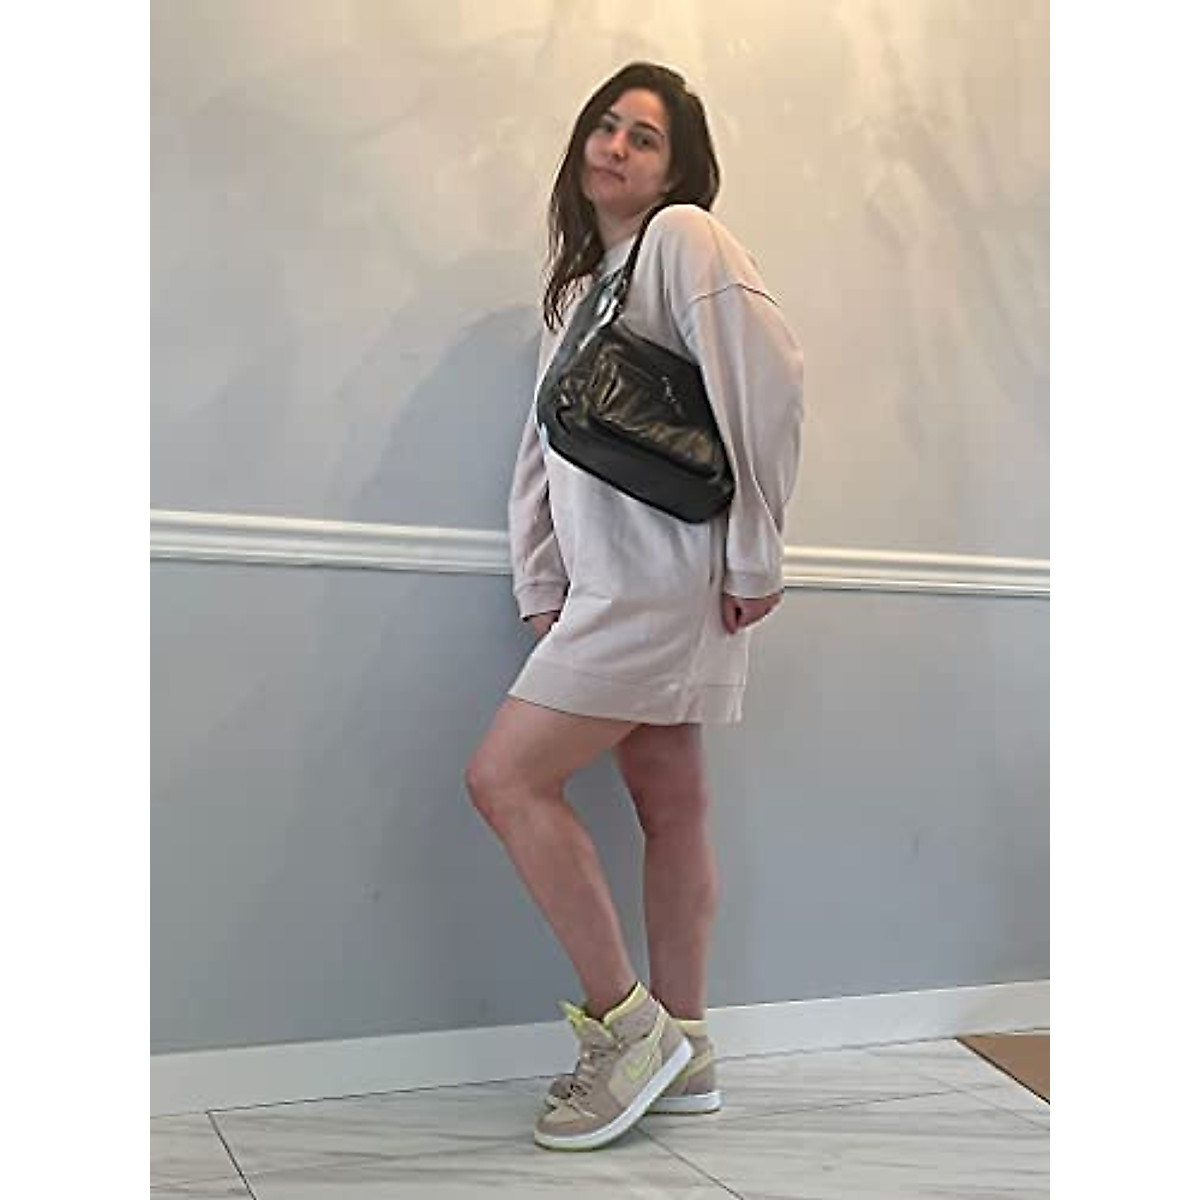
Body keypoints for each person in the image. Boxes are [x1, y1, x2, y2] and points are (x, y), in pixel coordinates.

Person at [464, 61, 804, 1152]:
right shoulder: (582, 294)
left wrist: (754, 553)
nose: (614, 146)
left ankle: (629, 1031)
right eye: (605, 126)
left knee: (506, 779)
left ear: (676, 168)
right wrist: (541, 579)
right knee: (669, 802)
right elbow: (542, 456)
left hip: (662, 581)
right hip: (615, 587)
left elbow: (768, 386)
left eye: (643, 137)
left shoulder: (684, 241)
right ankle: (686, 1044)